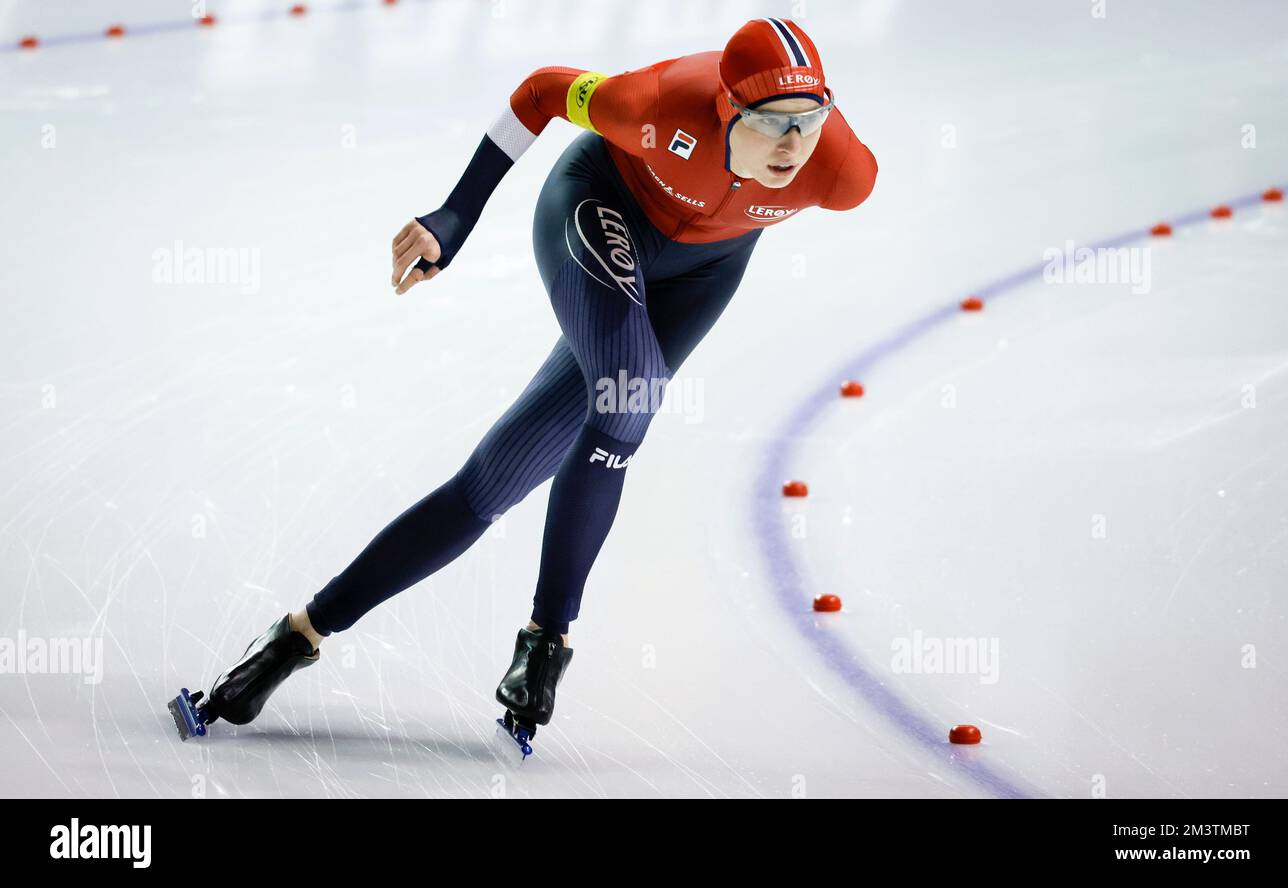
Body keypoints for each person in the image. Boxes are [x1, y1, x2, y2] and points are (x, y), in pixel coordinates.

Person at [177, 18, 877, 747]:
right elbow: (541, 92)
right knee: (630, 391)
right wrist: (457, 214)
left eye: (810, 121)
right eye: (772, 125)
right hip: (601, 205)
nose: (795, 146)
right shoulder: (657, 105)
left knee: (492, 483)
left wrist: (796, 138)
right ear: (727, 109)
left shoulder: (842, 172)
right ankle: (549, 638)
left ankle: (296, 635)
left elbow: (807, 155)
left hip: (703, 272)